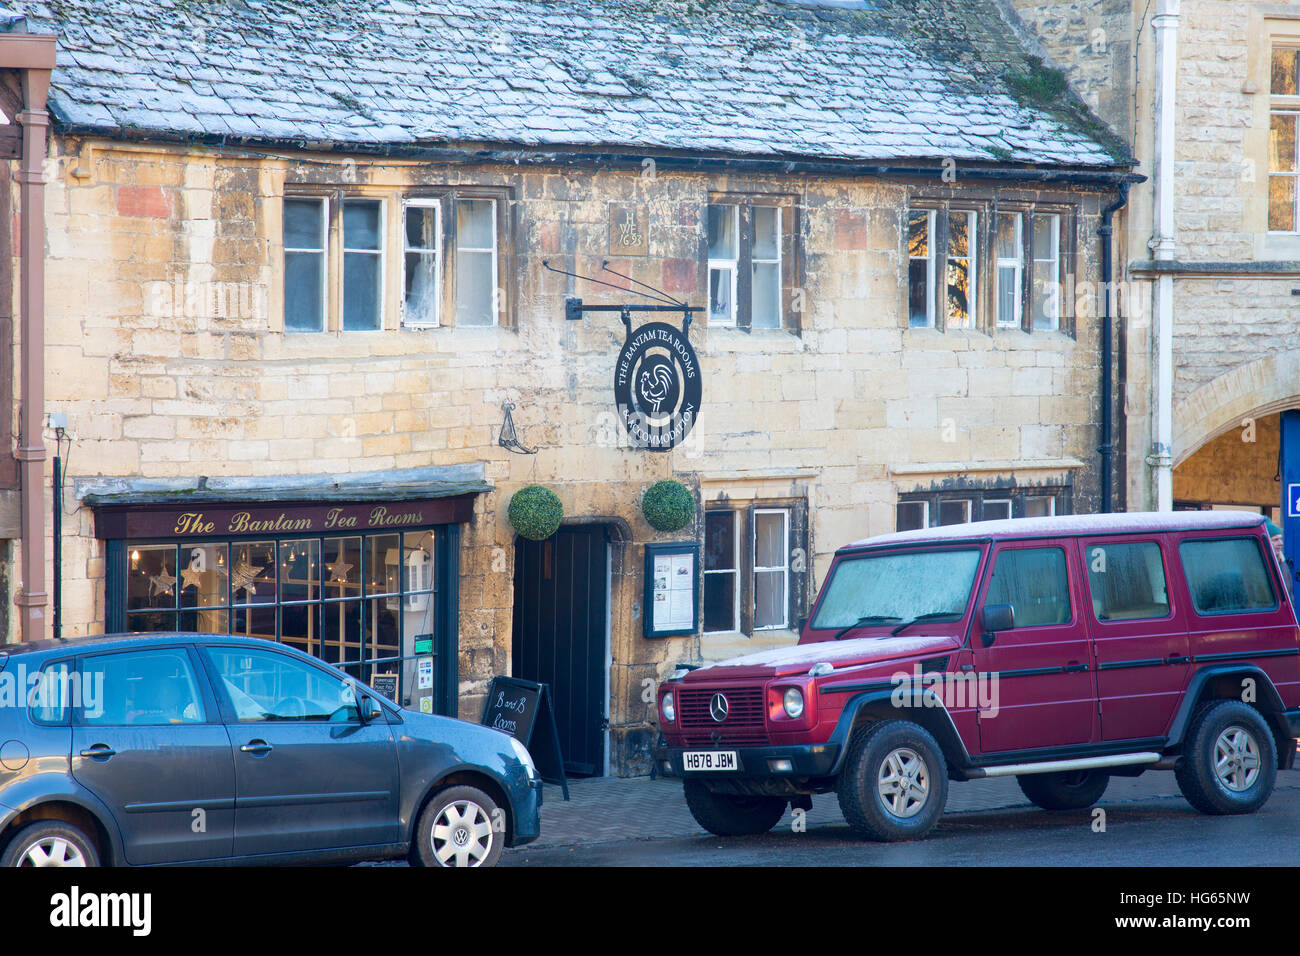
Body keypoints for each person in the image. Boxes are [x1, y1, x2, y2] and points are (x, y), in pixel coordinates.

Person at [1266, 519, 1294, 601]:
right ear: (1266, 541)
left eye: (1280, 539)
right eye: (1275, 539)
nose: (1281, 543)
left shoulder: (1283, 564)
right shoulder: (1260, 566)